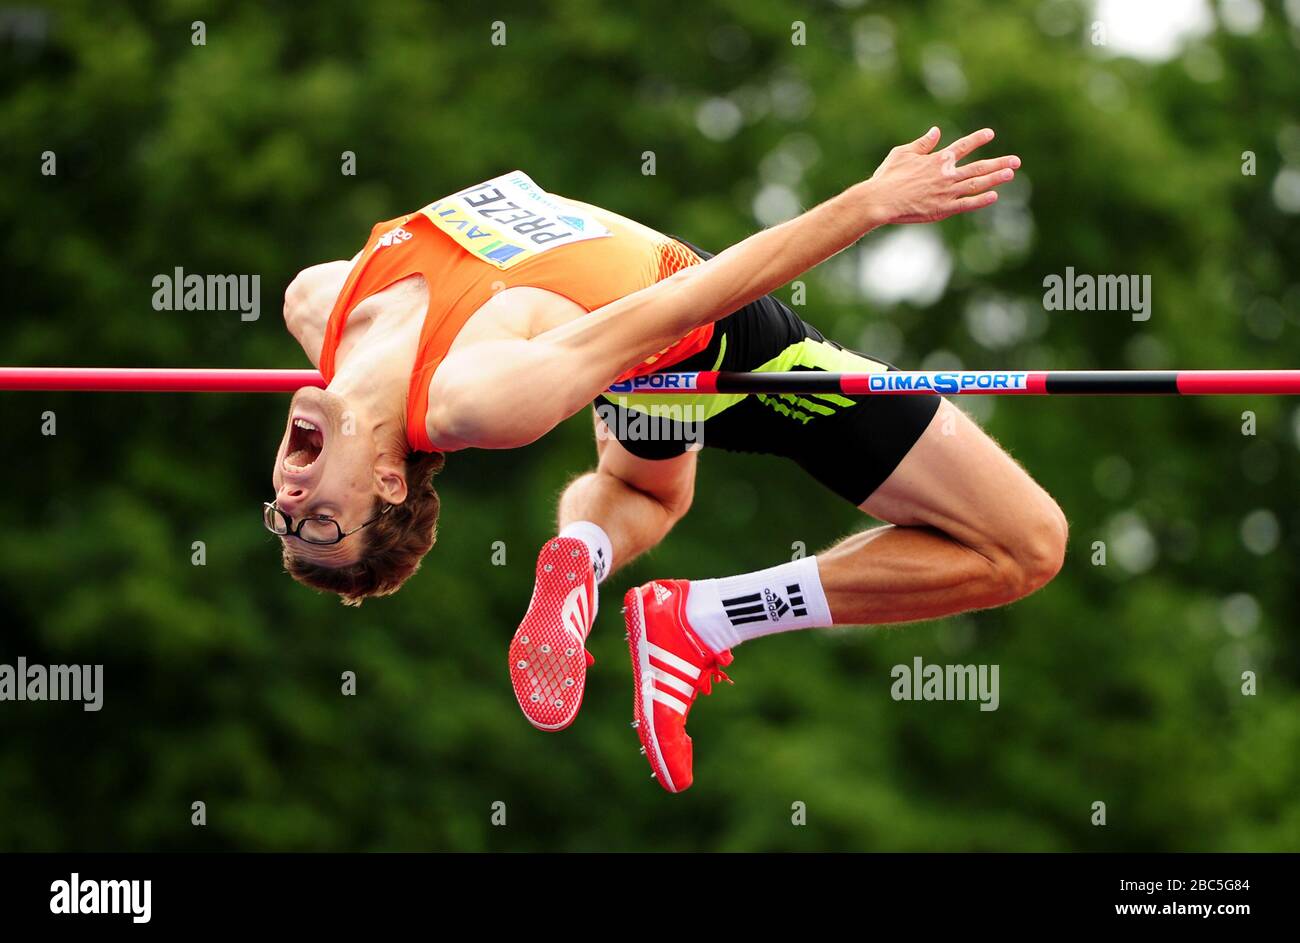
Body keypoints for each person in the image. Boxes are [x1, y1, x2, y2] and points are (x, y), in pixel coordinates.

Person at [267, 127, 1067, 791]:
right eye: (324, 522)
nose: (295, 499)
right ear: (387, 479)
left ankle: (583, 553)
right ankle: (705, 618)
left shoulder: (322, 305)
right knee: (1025, 545)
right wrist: (868, 203)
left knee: (643, 494)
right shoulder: (478, 397)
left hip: (639, 365)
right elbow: (693, 299)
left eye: (286, 515)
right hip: (725, 347)